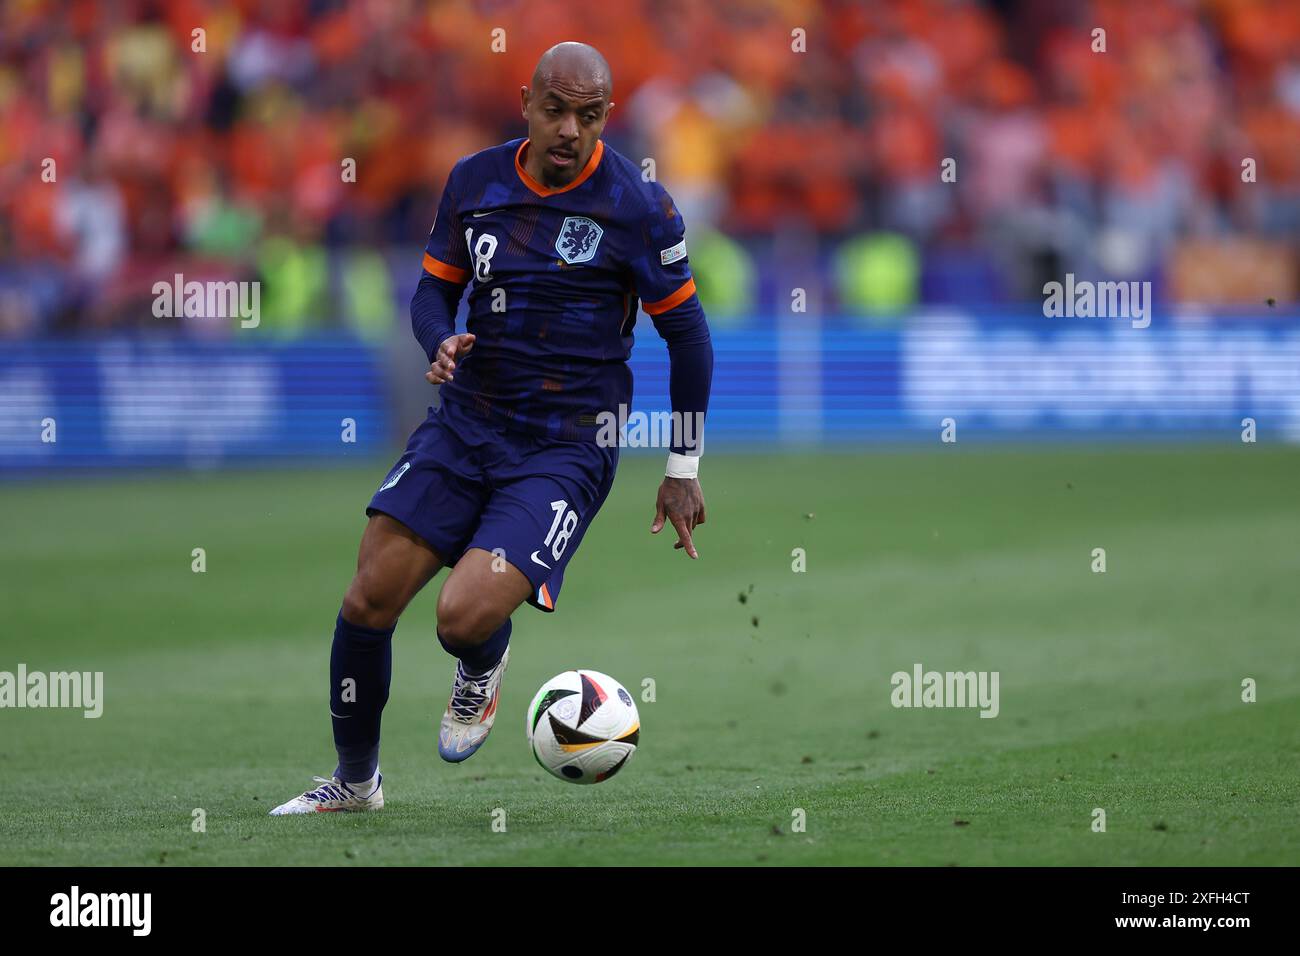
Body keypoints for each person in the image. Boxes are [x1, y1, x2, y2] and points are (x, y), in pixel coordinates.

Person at [271, 41, 713, 813]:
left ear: (606, 116)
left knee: (460, 616)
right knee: (368, 599)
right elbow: (429, 295)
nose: (570, 128)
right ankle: (354, 782)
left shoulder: (639, 207)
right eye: (555, 109)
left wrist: (681, 470)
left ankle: (485, 660)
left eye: (589, 114)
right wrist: (436, 338)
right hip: (467, 419)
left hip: (570, 440)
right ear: (526, 102)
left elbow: (689, 337)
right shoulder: (473, 181)